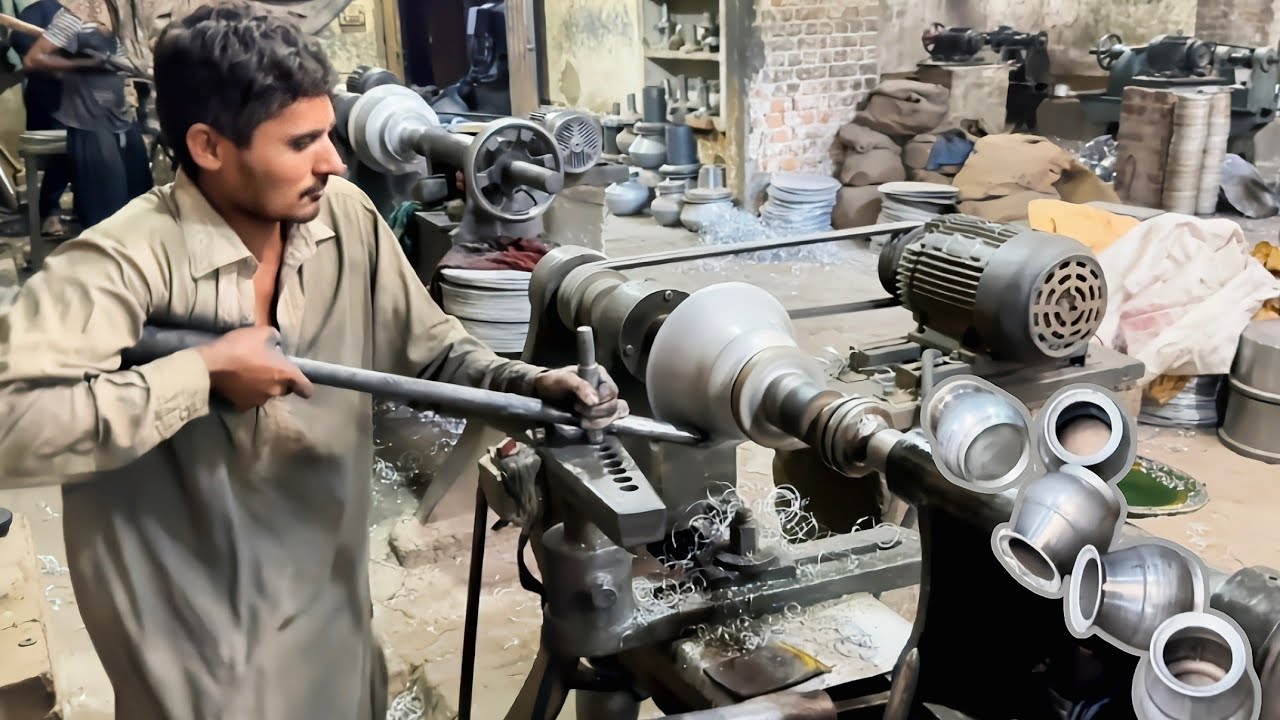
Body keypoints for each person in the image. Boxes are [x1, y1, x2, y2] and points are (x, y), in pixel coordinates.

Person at [0, 3, 626, 718]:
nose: (332, 160)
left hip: (328, 622)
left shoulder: (346, 219)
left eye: (329, 132)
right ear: (208, 146)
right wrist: (196, 376)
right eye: (302, 142)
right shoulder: (120, 263)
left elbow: (435, 351)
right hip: (196, 655)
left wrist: (528, 382)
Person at [21, 0, 152, 227]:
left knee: (141, 200)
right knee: (108, 215)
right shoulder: (75, 14)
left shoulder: (124, 14)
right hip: (90, 123)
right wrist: (87, 64)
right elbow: (33, 59)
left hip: (121, 117)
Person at [9, 0, 70, 236]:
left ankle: (83, 206)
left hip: (83, 99)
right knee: (69, 146)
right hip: (50, 98)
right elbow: (20, 39)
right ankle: (50, 210)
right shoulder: (41, 10)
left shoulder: (90, 12)